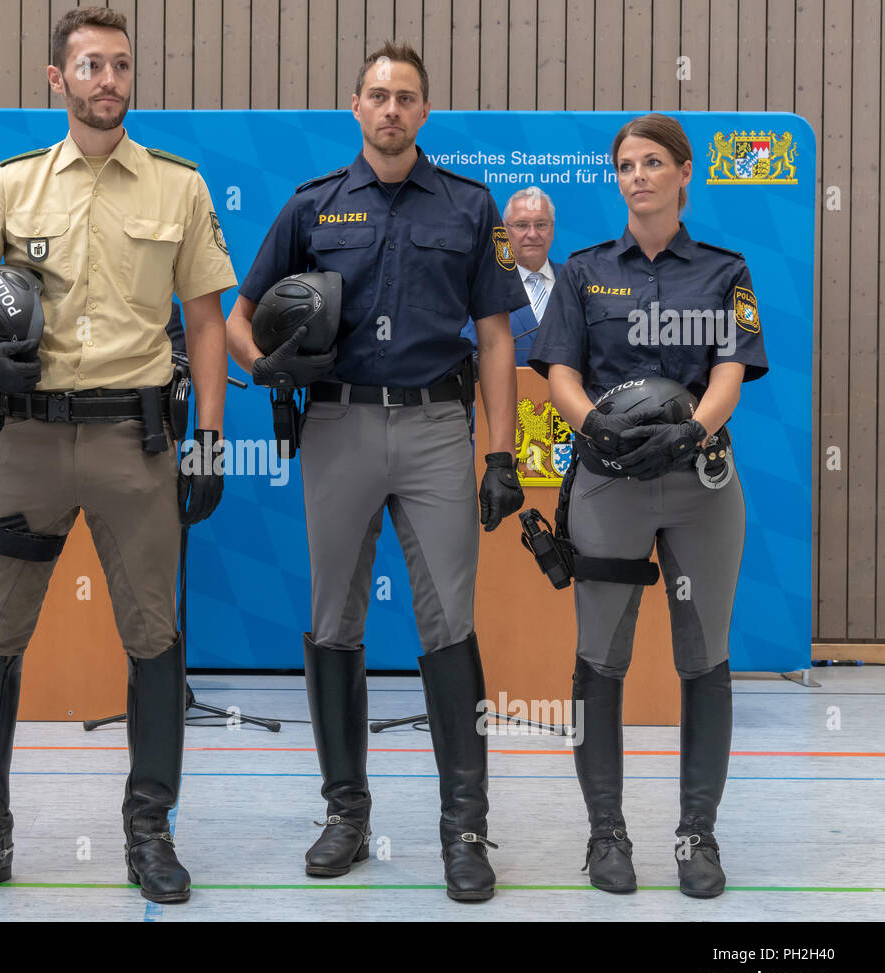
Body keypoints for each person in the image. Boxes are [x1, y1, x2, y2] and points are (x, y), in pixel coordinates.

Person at [0, 6, 235, 905]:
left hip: (138, 446)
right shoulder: (12, 187)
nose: (108, 81)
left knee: (155, 640)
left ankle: (149, 833)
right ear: (58, 79)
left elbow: (207, 321)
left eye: (121, 66)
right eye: (90, 66)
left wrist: (208, 437)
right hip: (28, 445)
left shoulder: (179, 187)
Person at [226, 42, 528, 902]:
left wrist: (500, 451)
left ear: (424, 113)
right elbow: (241, 317)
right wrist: (264, 368)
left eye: (407, 98)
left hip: (437, 427)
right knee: (333, 623)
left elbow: (499, 339)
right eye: (378, 96)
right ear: (354, 107)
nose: (391, 110)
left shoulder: (470, 208)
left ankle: (464, 831)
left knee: (450, 628)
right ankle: (344, 816)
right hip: (337, 427)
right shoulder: (311, 206)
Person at [527, 113, 768, 898]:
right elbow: (560, 370)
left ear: (684, 172)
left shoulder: (726, 271)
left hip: (700, 483)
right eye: (626, 165)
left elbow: (731, 371)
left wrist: (690, 432)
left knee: (704, 658)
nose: (637, 176)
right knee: (601, 659)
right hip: (608, 481)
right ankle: (606, 836)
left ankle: (698, 836)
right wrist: (594, 425)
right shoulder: (583, 272)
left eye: (653, 162)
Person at [462, 186, 563, 365]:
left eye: (541, 224)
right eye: (521, 225)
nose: (532, 234)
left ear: (552, 230)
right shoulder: (485, 285)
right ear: (505, 231)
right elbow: (470, 354)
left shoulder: (575, 280)